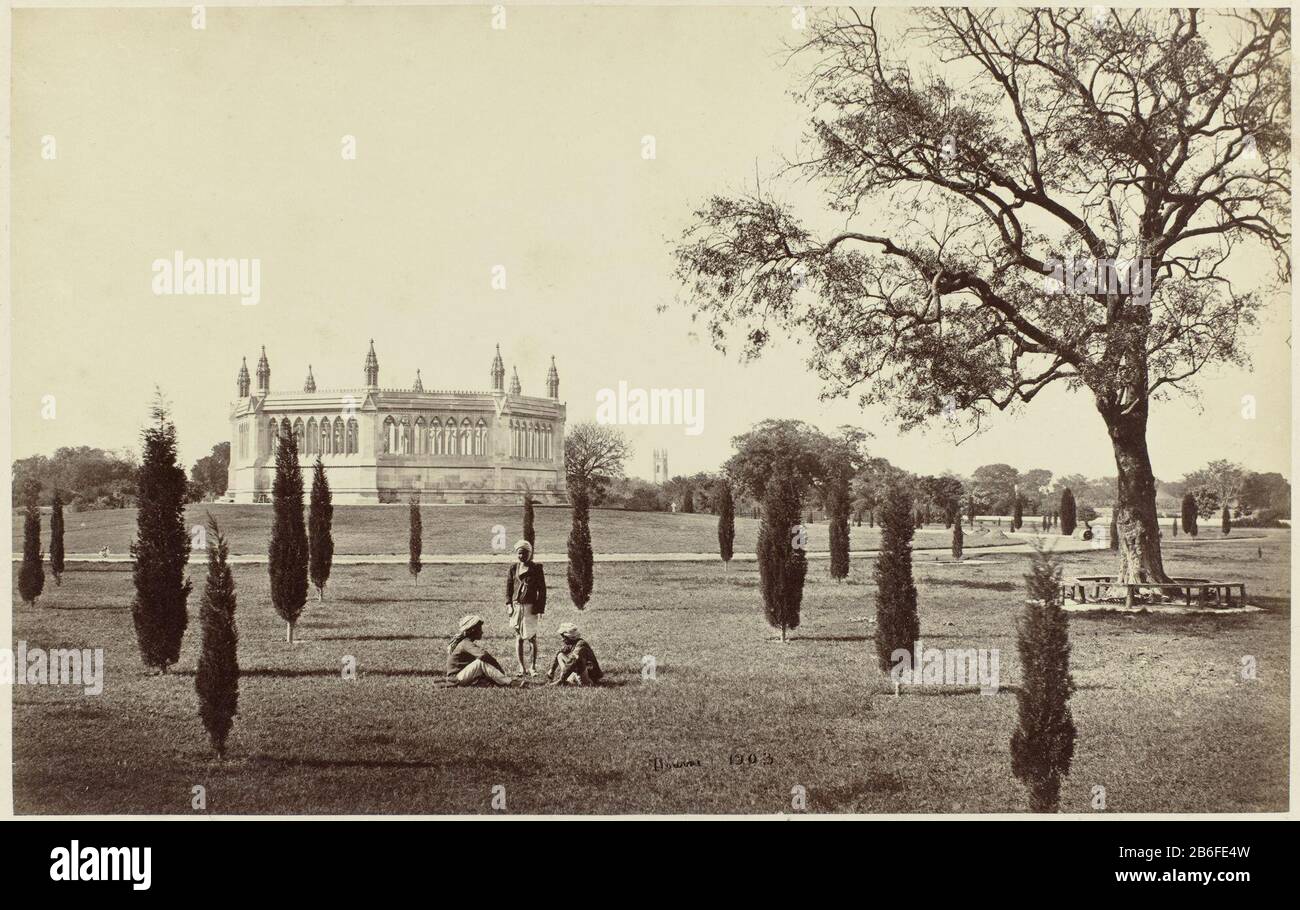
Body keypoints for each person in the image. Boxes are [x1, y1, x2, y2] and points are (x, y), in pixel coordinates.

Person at [504, 540, 547, 676]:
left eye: (524, 553)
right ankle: (521, 667)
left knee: (532, 637)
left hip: (531, 607)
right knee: (518, 637)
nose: (522, 556)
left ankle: (533, 667)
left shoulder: (536, 568)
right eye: (519, 553)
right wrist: (509, 605)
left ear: (530, 553)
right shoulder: (513, 568)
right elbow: (509, 588)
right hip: (517, 607)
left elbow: (542, 590)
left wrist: (540, 609)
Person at [446, 614, 521, 687]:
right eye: (479, 629)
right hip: (455, 679)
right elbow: (483, 655)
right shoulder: (465, 643)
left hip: (458, 677)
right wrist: (497, 666)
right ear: (472, 630)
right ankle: (509, 682)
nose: (482, 632)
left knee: (481, 664)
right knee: (481, 662)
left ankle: (490, 681)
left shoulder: (465, 642)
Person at [547, 622, 603, 687]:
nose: (562, 639)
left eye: (563, 637)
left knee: (577, 661)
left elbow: (573, 660)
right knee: (560, 655)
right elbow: (559, 653)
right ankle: (569, 680)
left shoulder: (581, 644)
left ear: (569, 637)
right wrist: (552, 670)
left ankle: (583, 683)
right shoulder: (571, 643)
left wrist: (561, 680)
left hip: (590, 677)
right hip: (581, 672)